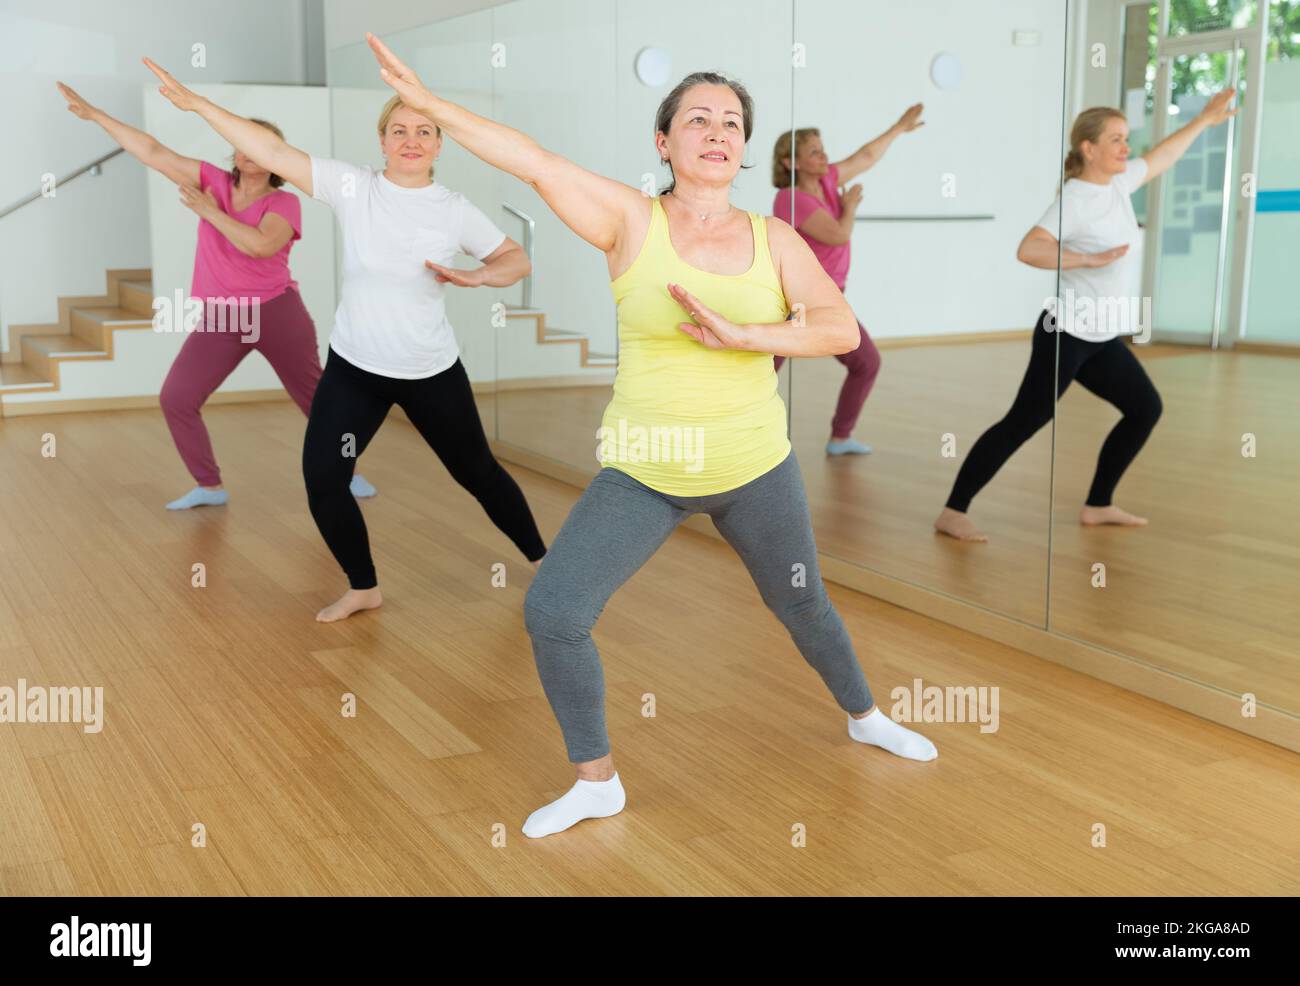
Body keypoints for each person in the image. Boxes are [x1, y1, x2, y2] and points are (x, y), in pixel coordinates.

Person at [360, 34, 938, 839]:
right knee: (555, 610)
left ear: (741, 147)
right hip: (648, 469)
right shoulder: (631, 221)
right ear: (663, 143)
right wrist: (429, 108)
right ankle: (596, 782)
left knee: (803, 603)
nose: (717, 130)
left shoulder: (776, 238)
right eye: (696, 117)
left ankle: (865, 714)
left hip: (755, 467)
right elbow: (531, 161)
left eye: (731, 121)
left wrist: (747, 337)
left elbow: (841, 329)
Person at [142, 57, 547, 621]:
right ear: (382, 141)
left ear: (438, 145)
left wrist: (480, 275)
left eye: (424, 131)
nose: (411, 140)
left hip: (430, 370)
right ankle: (364, 586)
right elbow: (275, 153)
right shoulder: (354, 186)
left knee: (476, 472)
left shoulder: (454, 211)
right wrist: (200, 106)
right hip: (356, 369)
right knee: (324, 477)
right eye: (399, 130)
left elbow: (516, 258)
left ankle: (543, 563)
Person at [56, 81, 376, 511]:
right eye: (241, 141)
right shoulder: (211, 179)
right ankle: (209, 485)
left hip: (276, 313)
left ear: (274, 155)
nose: (247, 150)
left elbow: (260, 246)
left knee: (315, 400)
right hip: (223, 318)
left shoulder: (284, 203)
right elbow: (153, 151)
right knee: (177, 397)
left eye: (259, 144)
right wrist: (97, 116)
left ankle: (348, 472)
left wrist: (210, 212)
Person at [935, 92, 1237, 543]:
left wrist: (1206, 121)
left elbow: (1162, 157)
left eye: (1126, 139)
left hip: (1100, 335)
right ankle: (953, 511)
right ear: (1087, 149)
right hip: (1066, 332)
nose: (1125, 147)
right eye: (1115, 139)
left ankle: (1098, 504)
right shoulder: (1075, 199)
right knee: (1026, 419)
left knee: (1144, 408)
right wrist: (1085, 260)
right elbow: (1029, 248)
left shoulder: (1117, 184)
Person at [770, 105, 923, 454]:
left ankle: (841, 436)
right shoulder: (791, 199)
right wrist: (851, 205)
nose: (824, 156)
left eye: (822, 148)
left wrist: (898, 127)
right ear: (791, 163)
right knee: (763, 371)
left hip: (829, 298)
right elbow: (838, 234)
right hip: (798, 300)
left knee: (865, 362)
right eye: (813, 151)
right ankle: (727, 433)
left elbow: (866, 156)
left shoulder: (828, 181)